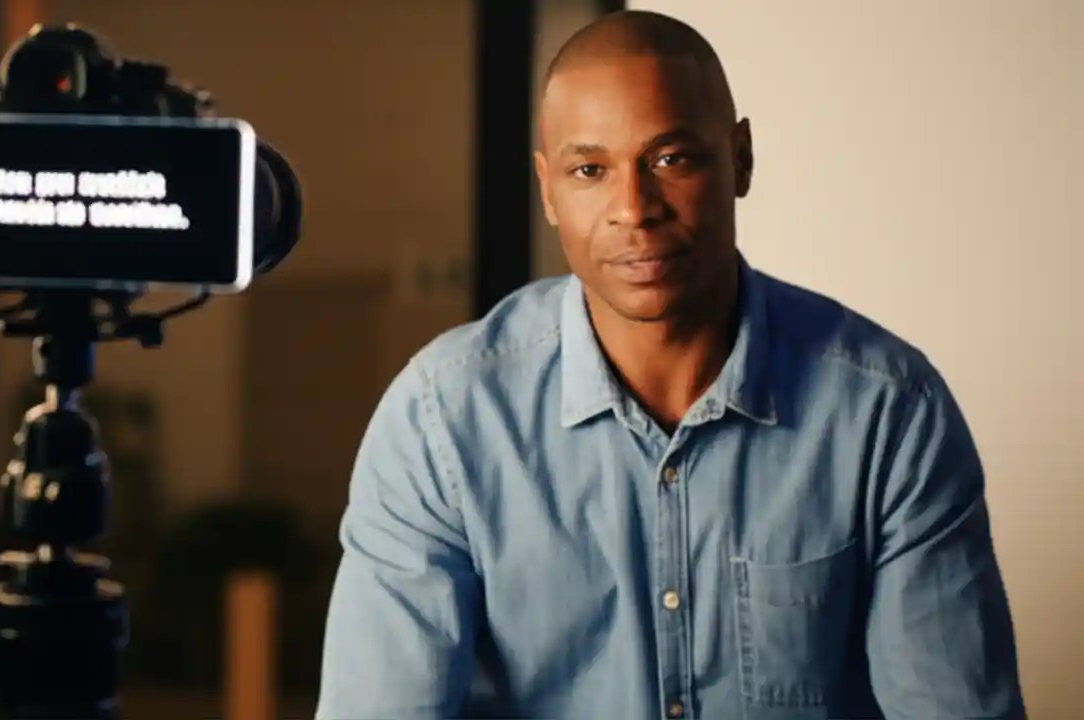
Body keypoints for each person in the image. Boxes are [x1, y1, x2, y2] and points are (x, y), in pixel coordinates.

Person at [316, 9, 1024, 720]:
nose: (634, 208)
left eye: (670, 159)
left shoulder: (889, 413)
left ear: (739, 158)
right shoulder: (443, 419)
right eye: (590, 169)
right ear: (547, 189)